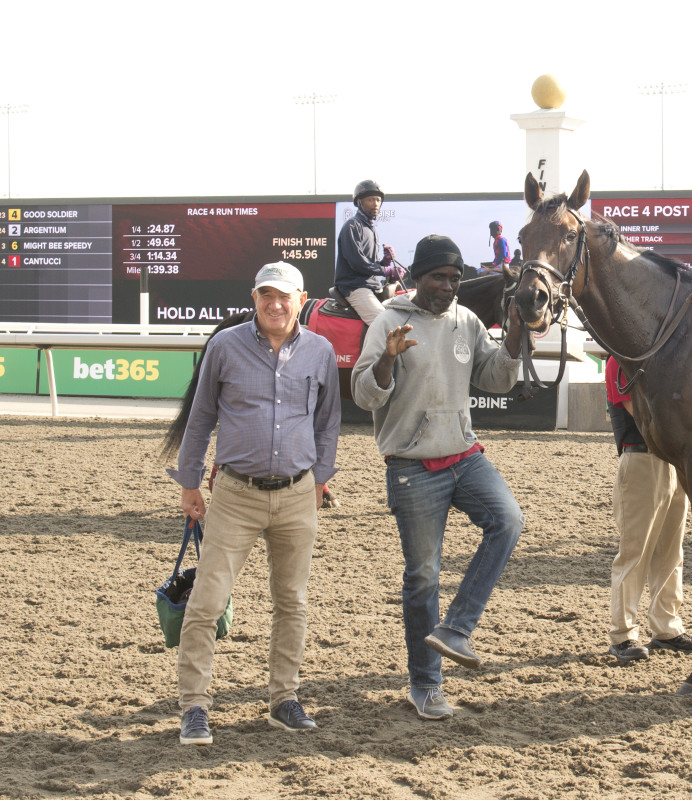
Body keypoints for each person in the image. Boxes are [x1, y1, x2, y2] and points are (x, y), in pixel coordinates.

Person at [351, 234, 525, 721]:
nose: (448, 286)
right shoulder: (389, 320)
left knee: (509, 520)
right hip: (412, 469)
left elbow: (494, 377)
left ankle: (456, 628)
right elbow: (365, 396)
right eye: (439, 278)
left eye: (454, 278)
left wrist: (513, 335)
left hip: (464, 457)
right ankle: (425, 683)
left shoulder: (466, 320)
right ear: (417, 276)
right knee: (424, 577)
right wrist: (387, 358)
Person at [170, 261, 340, 746]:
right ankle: (194, 708)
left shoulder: (321, 351)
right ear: (254, 297)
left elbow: (328, 424)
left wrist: (319, 479)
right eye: (267, 294)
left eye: (284, 296)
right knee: (206, 603)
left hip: (296, 496)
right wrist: (189, 483)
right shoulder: (224, 347)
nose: (275, 303)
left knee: (292, 603)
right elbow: (200, 418)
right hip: (235, 496)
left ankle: (283, 699)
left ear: (301, 299)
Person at [604, 356, 692, 662]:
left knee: (672, 552)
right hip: (642, 458)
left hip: (673, 460)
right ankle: (623, 634)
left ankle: (666, 627)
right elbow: (645, 416)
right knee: (635, 552)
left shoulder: (655, 360)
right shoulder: (619, 363)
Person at [334, 179, 403, 325]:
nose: (375, 203)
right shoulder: (352, 226)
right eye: (371, 199)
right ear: (359, 202)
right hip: (354, 287)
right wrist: (387, 271)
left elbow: (369, 265)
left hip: (371, 286)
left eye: (378, 200)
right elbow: (357, 263)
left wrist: (384, 262)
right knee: (384, 324)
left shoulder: (371, 228)